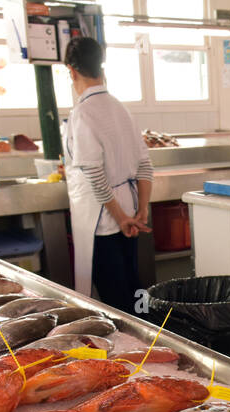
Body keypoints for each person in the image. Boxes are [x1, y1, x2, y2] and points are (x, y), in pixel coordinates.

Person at [62, 36, 153, 314]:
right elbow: (145, 165)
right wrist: (141, 210)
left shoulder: (83, 113)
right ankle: (155, 337)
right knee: (135, 286)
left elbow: (93, 172)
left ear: (72, 71)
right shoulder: (120, 108)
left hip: (102, 220)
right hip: (129, 210)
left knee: (116, 298)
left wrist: (121, 216)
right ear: (101, 69)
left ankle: (138, 350)